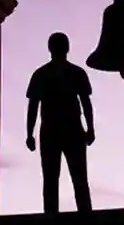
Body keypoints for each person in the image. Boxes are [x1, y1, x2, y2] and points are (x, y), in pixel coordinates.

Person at [25, 32, 95, 213]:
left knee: (51, 180)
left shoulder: (41, 74)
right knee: (79, 178)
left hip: (51, 131)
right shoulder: (77, 73)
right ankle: (86, 217)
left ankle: (52, 218)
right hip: (71, 130)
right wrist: (90, 128)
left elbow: (33, 106)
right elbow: (86, 103)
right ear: (68, 48)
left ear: (49, 49)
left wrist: (29, 134)